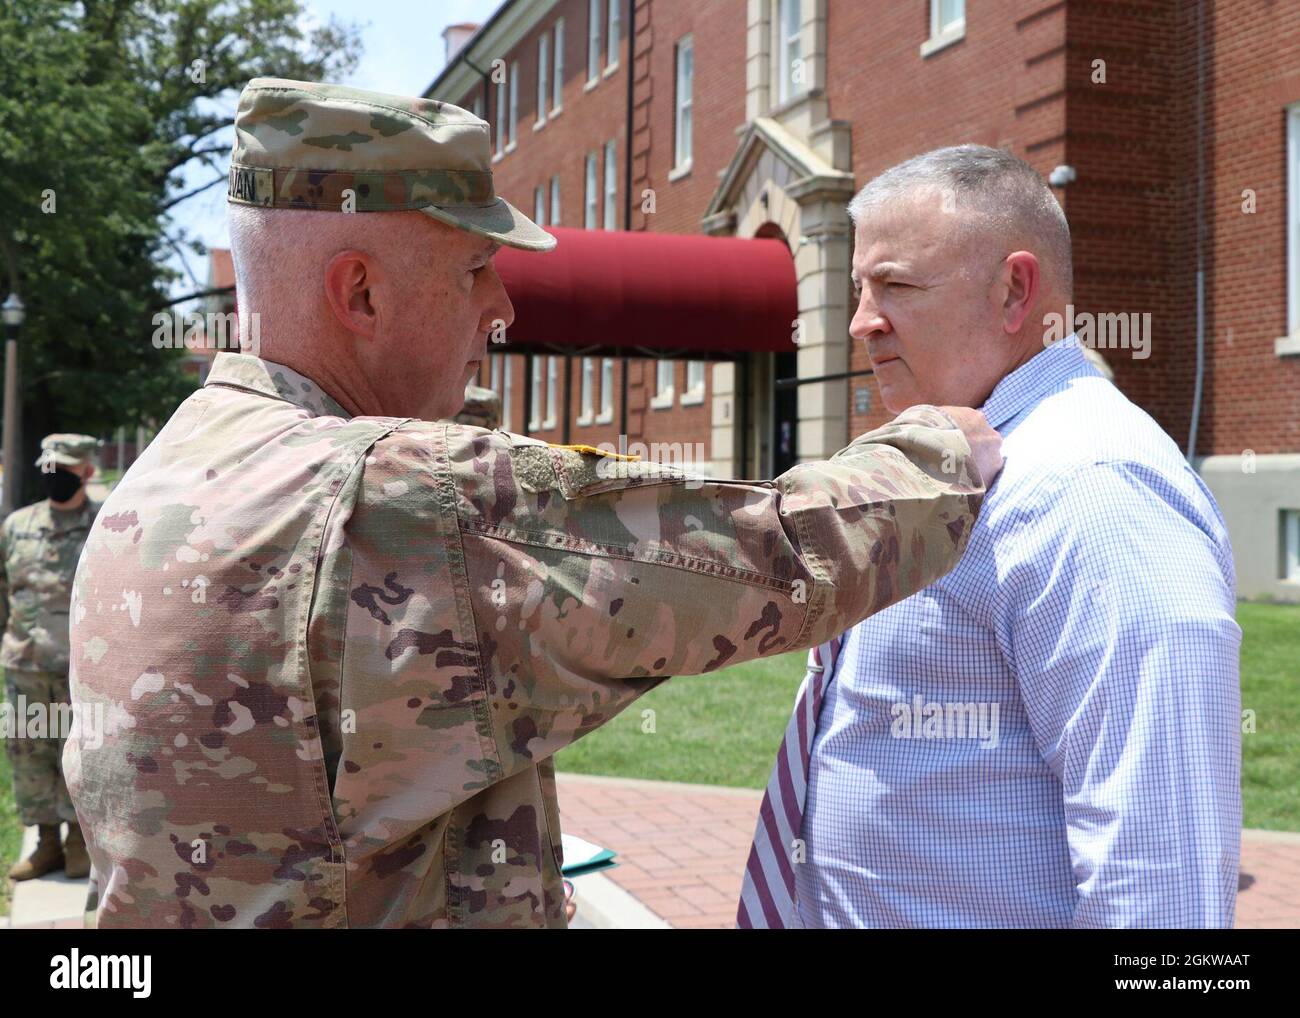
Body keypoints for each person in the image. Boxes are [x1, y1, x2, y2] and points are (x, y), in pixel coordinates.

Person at [64, 78, 1002, 929]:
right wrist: (945, 448)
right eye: (474, 266)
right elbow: (777, 554)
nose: (502, 305)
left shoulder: (165, 476)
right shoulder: (398, 498)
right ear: (360, 291)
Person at [739, 145, 1241, 929]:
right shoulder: (941, 463)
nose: (862, 321)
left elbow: (1162, 878)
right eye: (859, 289)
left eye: (896, 285)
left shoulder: (1091, 486)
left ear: (1015, 291)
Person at [2, 433, 100, 881]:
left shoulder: (105, 524)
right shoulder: (17, 525)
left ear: (87, 472)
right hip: (25, 665)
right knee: (28, 755)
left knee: (81, 755)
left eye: (64, 468)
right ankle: (46, 844)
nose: (54, 476)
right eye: (48, 468)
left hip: (81, 671)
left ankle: (79, 842)